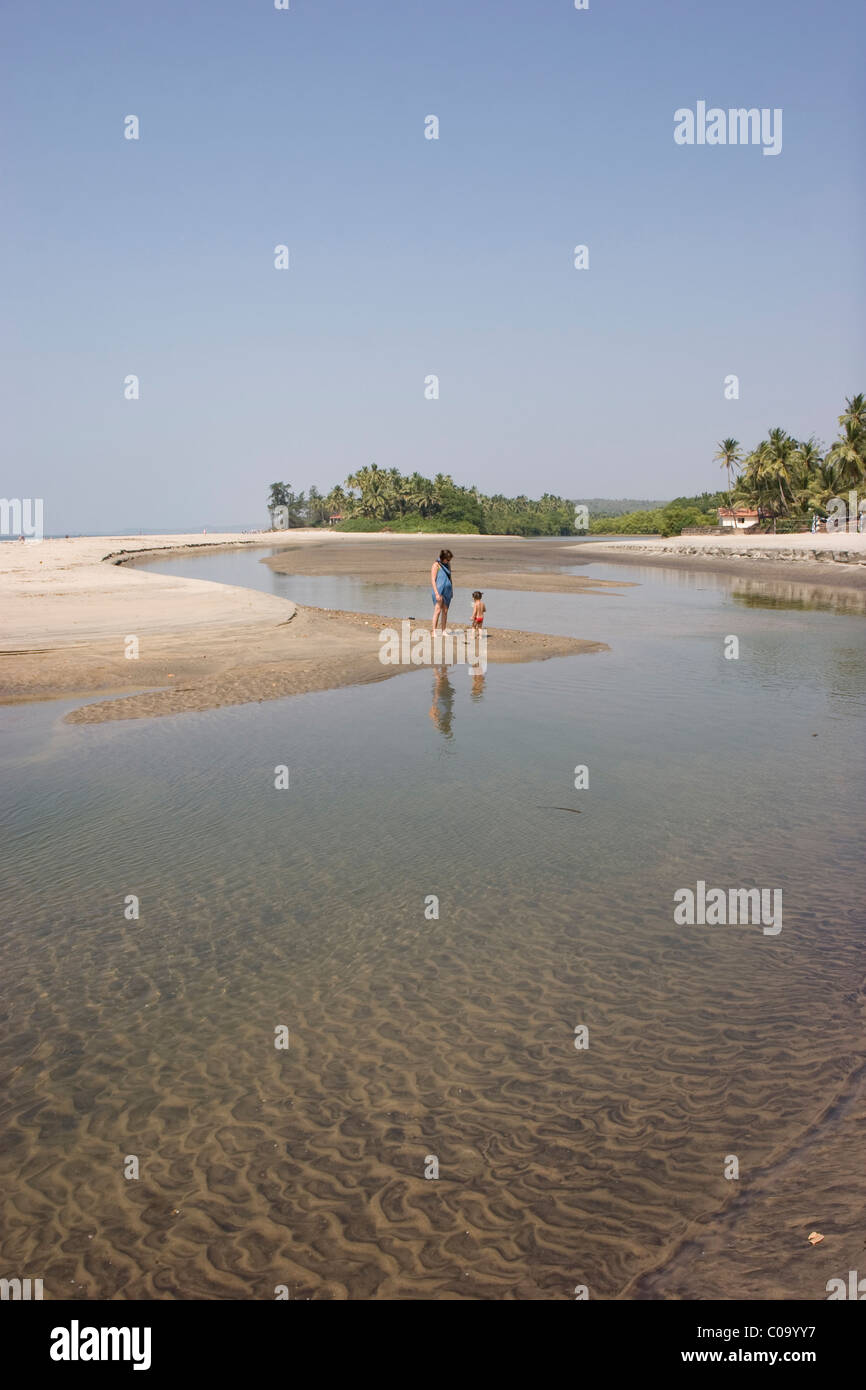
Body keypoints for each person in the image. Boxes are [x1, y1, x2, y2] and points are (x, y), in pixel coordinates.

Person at [430, 549, 453, 633]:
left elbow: (450, 577)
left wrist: (452, 591)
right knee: (438, 610)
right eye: (447, 559)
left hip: (447, 590)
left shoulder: (448, 564)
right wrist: (436, 593)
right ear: (443, 558)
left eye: (449, 559)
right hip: (439, 590)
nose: (448, 561)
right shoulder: (436, 565)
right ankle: (434, 631)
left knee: (445, 611)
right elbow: (433, 579)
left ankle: (443, 631)